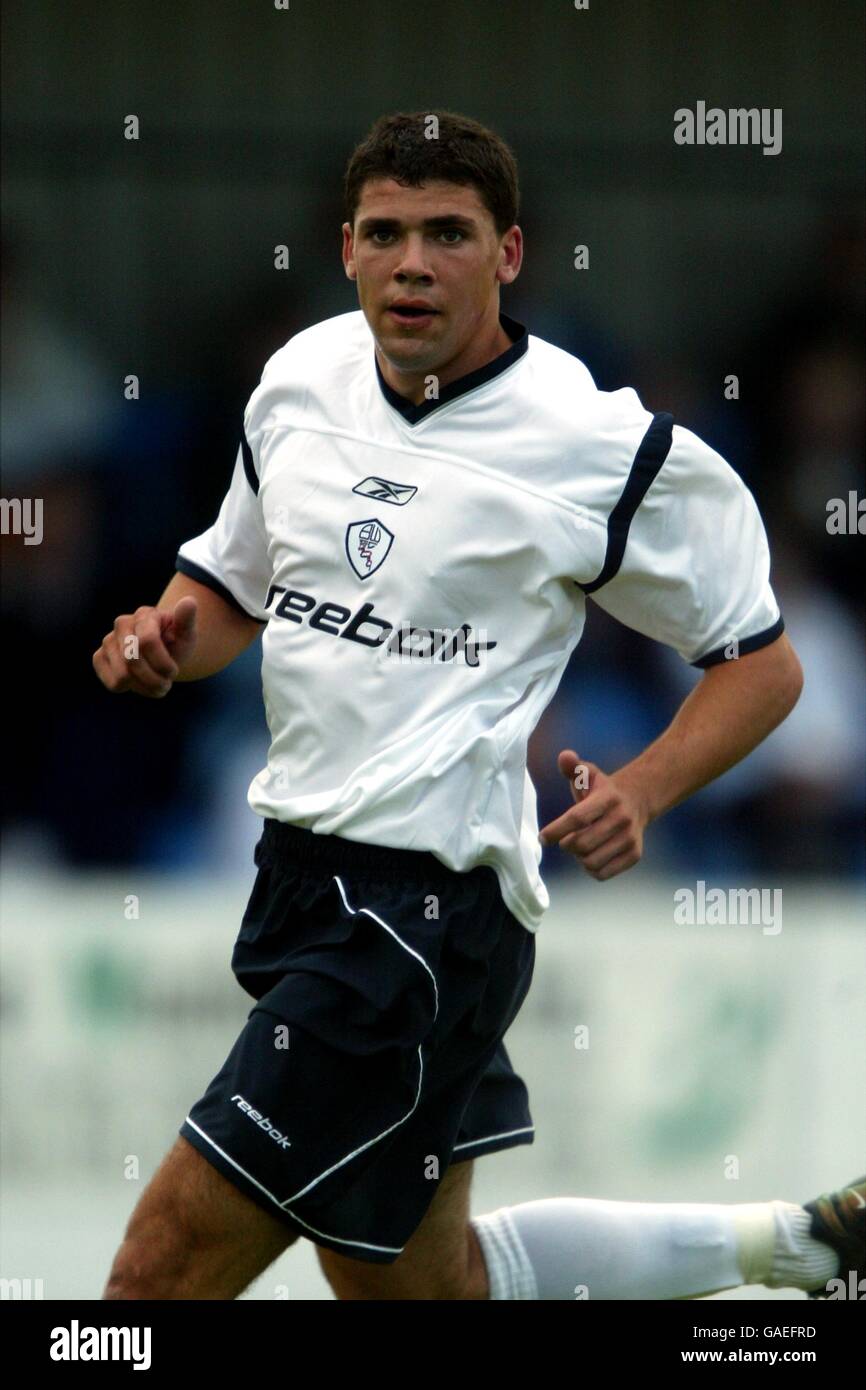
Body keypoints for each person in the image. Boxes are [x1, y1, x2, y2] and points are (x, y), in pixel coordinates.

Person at [93, 110, 863, 1300]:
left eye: (447, 234)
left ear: (507, 254)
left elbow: (762, 664)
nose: (412, 264)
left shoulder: (594, 444)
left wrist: (645, 787)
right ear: (345, 247)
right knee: (429, 1284)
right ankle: (800, 1245)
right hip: (297, 878)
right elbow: (229, 589)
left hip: (415, 923)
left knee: (151, 1283)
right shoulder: (297, 382)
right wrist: (160, 641)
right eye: (386, 233)